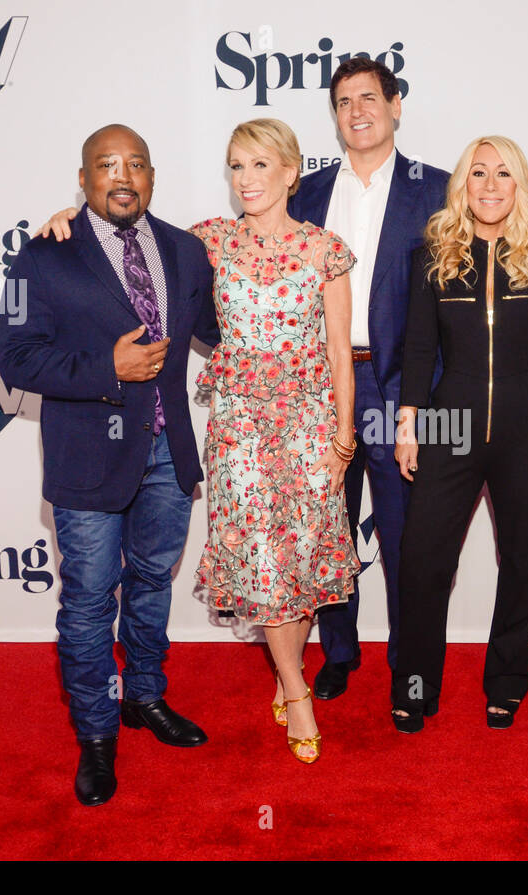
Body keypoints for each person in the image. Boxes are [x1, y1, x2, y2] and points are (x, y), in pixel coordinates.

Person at [0, 124, 220, 807]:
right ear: (84, 178)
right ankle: (95, 735)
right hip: (87, 459)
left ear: (152, 175)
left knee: (153, 582)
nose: (122, 177)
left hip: (167, 455)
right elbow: (14, 359)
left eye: (135, 165)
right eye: (106, 165)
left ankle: (145, 698)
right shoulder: (40, 255)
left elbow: (221, 326)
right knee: (90, 603)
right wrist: (107, 368)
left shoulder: (186, 250)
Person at [389, 136, 528, 733]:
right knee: (422, 560)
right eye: (478, 173)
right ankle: (416, 685)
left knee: (520, 560)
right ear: (461, 186)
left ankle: (507, 681)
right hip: (451, 423)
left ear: (519, 184)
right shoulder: (432, 256)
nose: (490, 185)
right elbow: (418, 347)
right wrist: (409, 421)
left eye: (503, 174)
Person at [191, 118, 359, 764]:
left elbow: (340, 353)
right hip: (238, 432)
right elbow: (132, 249)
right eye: (237, 166)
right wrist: (71, 218)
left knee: (304, 562)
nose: (247, 179)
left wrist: (344, 437)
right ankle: (295, 689)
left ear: (291, 172)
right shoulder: (210, 242)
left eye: (261, 165)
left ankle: (289, 669)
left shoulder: (326, 250)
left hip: (311, 425)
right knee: (265, 563)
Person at [288, 56, 450, 701]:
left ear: (395, 105)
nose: (357, 111)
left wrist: (426, 399)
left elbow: (458, 301)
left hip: (402, 391)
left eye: (369, 98)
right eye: (344, 101)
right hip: (321, 390)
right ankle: (340, 652)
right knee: (328, 528)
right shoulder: (304, 195)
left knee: (410, 536)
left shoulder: (437, 190)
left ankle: (411, 666)